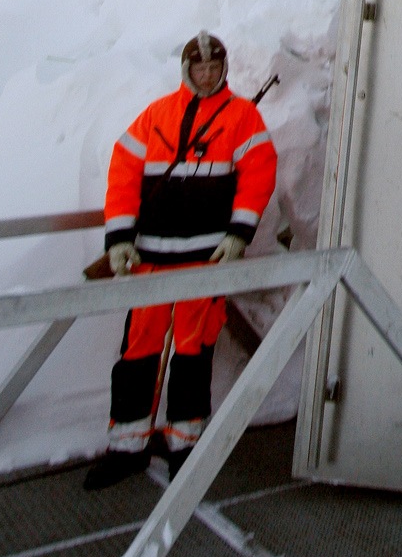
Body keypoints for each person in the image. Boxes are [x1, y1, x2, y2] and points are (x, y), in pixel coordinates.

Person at [83, 31, 277, 490]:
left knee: (193, 355)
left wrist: (238, 235)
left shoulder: (243, 117)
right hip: (149, 258)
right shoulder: (156, 115)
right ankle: (126, 449)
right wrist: (119, 239)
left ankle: (184, 449)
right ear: (186, 71)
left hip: (204, 261)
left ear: (223, 70)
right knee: (137, 353)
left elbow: (259, 177)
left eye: (213, 68)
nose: (206, 76)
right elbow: (124, 173)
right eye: (199, 68)